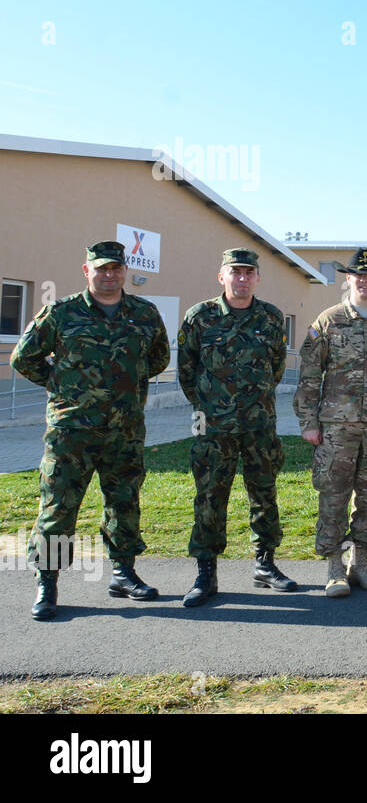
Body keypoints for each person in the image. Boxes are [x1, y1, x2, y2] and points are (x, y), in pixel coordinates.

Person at [12, 241, 170, 620]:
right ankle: (47, 583)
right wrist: (62, 385)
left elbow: (158, 359)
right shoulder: (61, 312)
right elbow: (24, 357)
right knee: (59, 507)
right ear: (87, 271)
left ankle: (123, 573)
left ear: (125, 271)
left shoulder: (144, 314)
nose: (109, 274)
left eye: (116, 268)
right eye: (101, 268)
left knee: (124, 503)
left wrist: (121, 389)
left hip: (125, 431)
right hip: (71, 432)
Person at [178, 247, 295, 607]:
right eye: (235, 272)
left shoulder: (272, 318)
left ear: (257, 278)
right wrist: (210, 404)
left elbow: (277, 367)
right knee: (210, 496)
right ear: (222, 276)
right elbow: (186, 371)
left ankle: (265, 563)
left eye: (248, 272)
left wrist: (253, 400)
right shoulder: (200, 316)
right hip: (212, 427)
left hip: (259, 423)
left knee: (264, 493)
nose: (242, 278)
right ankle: (205, 571)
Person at [294, 249, 367, 598]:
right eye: (359, 275)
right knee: (333, 496)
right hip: (336, 428)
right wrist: (309, 421)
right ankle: (333, 568)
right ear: (348, 279)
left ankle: (361, 563)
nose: (365, 280)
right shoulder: (328, 321)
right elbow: (310, 375)